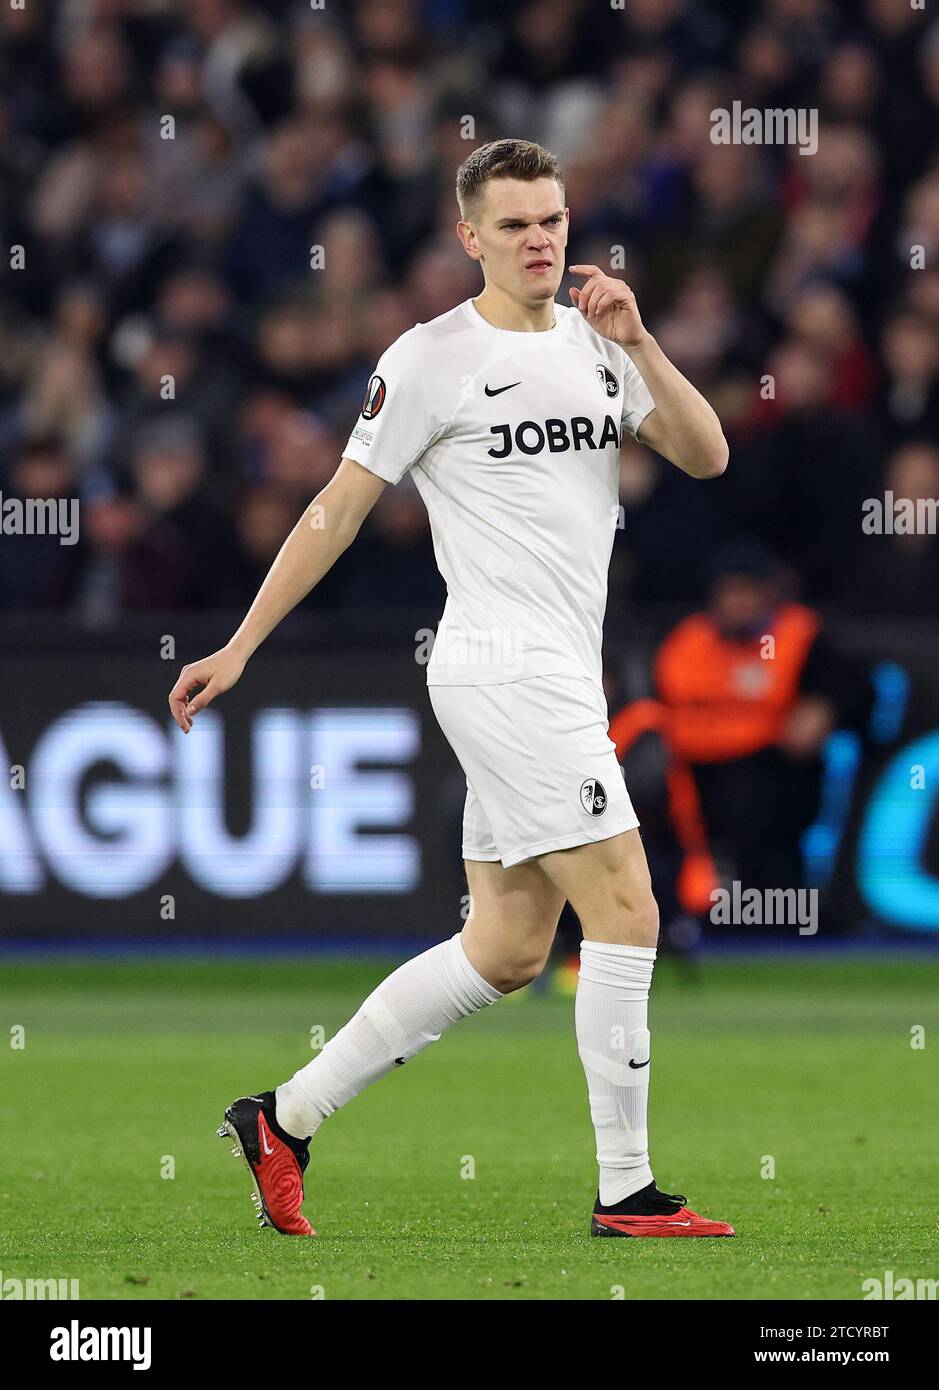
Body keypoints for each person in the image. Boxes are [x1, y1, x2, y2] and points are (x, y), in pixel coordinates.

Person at [168, 138, 733, 1239]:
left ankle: (283, 1117)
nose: (540, 240)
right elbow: (337, 505)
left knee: (511, 946)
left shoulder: (596, 343)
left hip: (557, 666)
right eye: (515, 224)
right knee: (626, 904)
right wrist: (241, 645)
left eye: (554, 220)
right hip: (502, 666)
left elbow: (708, 454)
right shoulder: (429, 358)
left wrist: (643, 342)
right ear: (469, 238)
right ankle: (629, 1192)